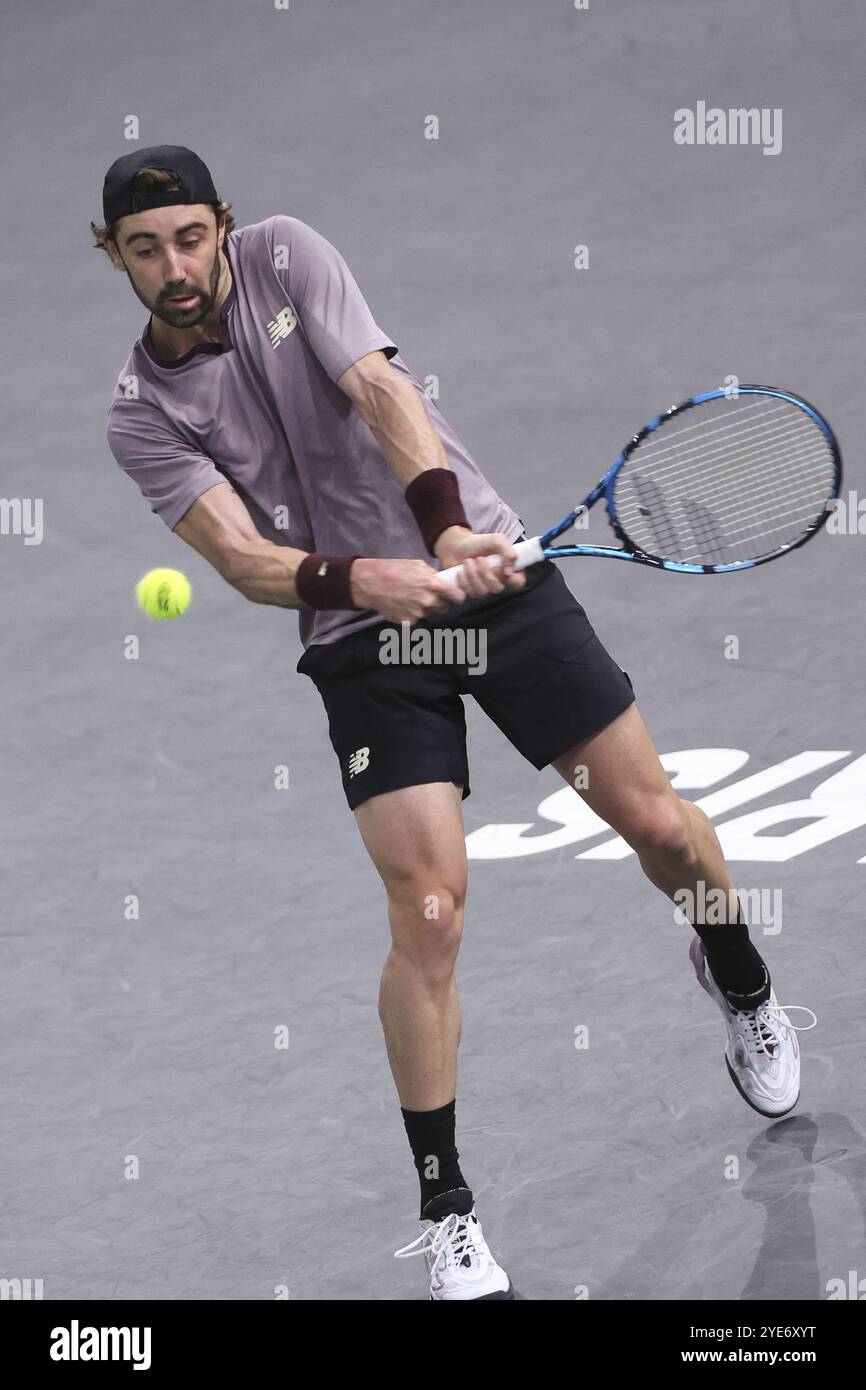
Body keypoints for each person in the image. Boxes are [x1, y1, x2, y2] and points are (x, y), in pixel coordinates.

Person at [96, 145, 803, 1302]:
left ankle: (739, 980)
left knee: (660, 831)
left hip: (478, 567)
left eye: (187, 236)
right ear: (112, 254)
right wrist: (375, 583)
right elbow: (242, 559)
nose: (173, 266)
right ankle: (448, 1210)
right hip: (357, 633)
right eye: (143, 248)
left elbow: (379, 388)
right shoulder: (142, 416)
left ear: (220, 225)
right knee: (428, 907)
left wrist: (440, 533)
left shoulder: (286, 255)